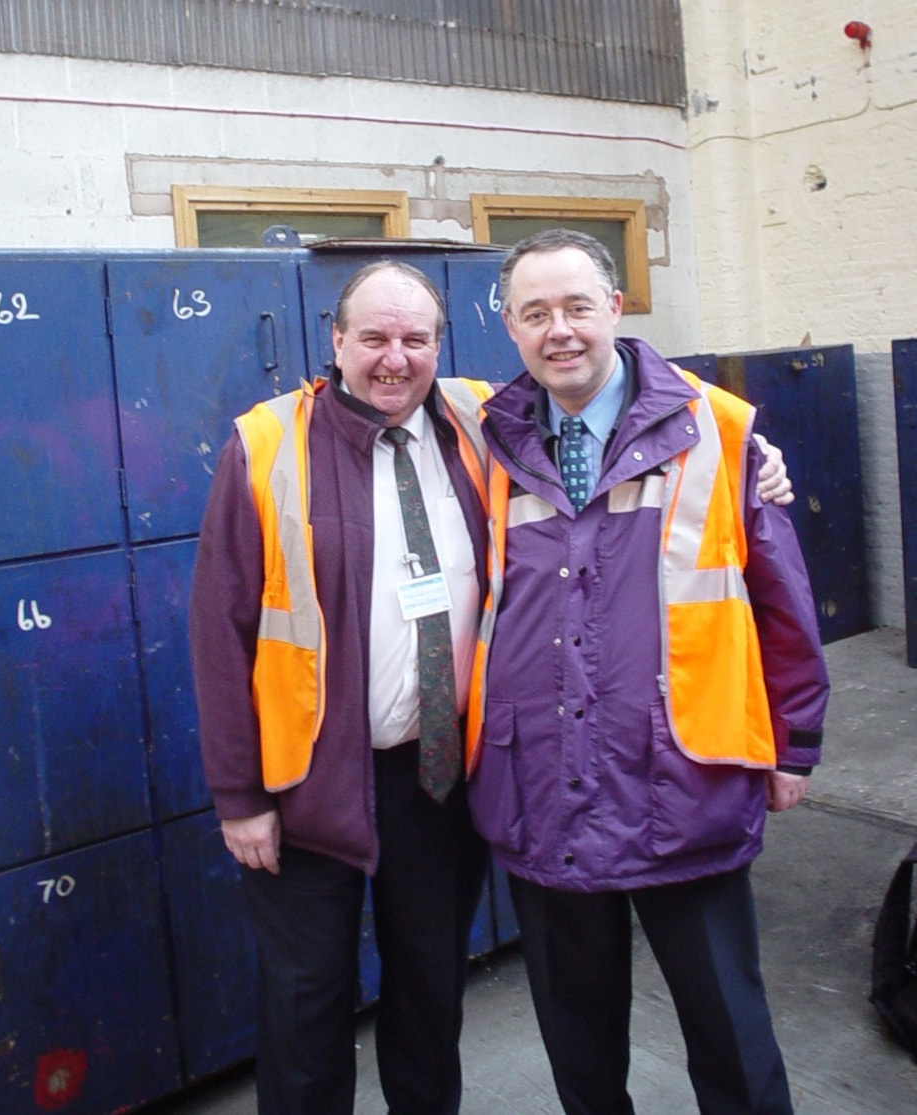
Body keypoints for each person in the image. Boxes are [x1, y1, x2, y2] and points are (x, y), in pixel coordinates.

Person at [189, 256, 793, 1115]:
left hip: (438, 774)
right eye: (373, 338)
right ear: (335, 341)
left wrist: (755, 453)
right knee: (304, 1006)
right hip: (309, 781)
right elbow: (219, 633)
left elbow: (635, 406)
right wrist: (238, 793)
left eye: (415, 338)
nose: (393, 358)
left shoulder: (485, 421)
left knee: (430, 996)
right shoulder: (265, 444)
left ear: (444, 343)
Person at [465, 229, 830, 1115]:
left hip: (685, 779)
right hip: (540, 783)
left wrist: (794, 745)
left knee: (730, 1034)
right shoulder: (480, 440)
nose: (561, 331)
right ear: (509, 326)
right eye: (536, 313)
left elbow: (783, 605)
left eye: (578, 306)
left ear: (616, 308)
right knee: (580, 1049)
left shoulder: (722, 429)